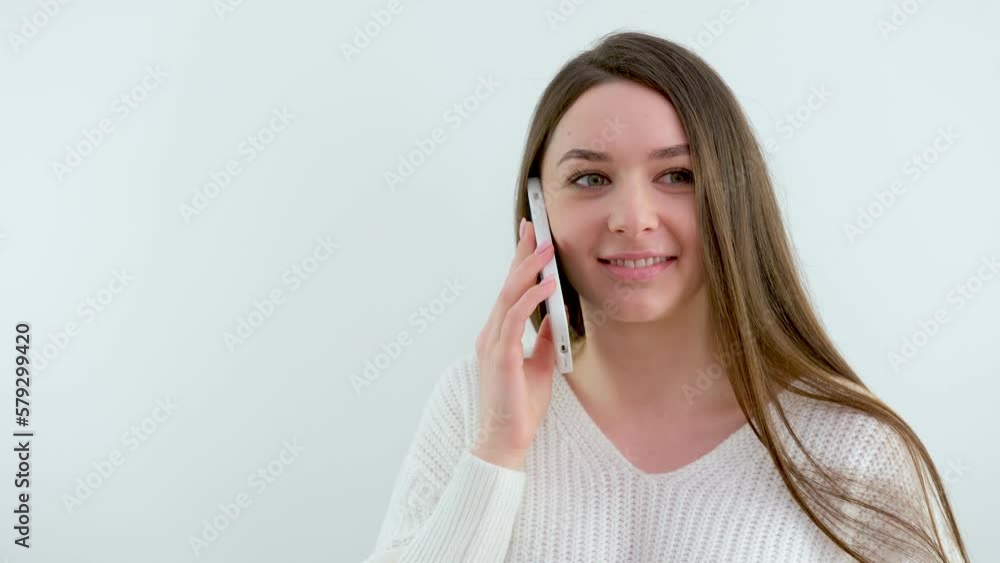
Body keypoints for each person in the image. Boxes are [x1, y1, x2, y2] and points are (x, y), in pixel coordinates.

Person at [362, 30, 970, 562]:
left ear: (734, 199)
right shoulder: (471, 406)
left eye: (678, 176)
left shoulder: (848, 446)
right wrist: (498, 451)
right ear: (537, 213)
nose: (632, 217)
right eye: (590, 178)